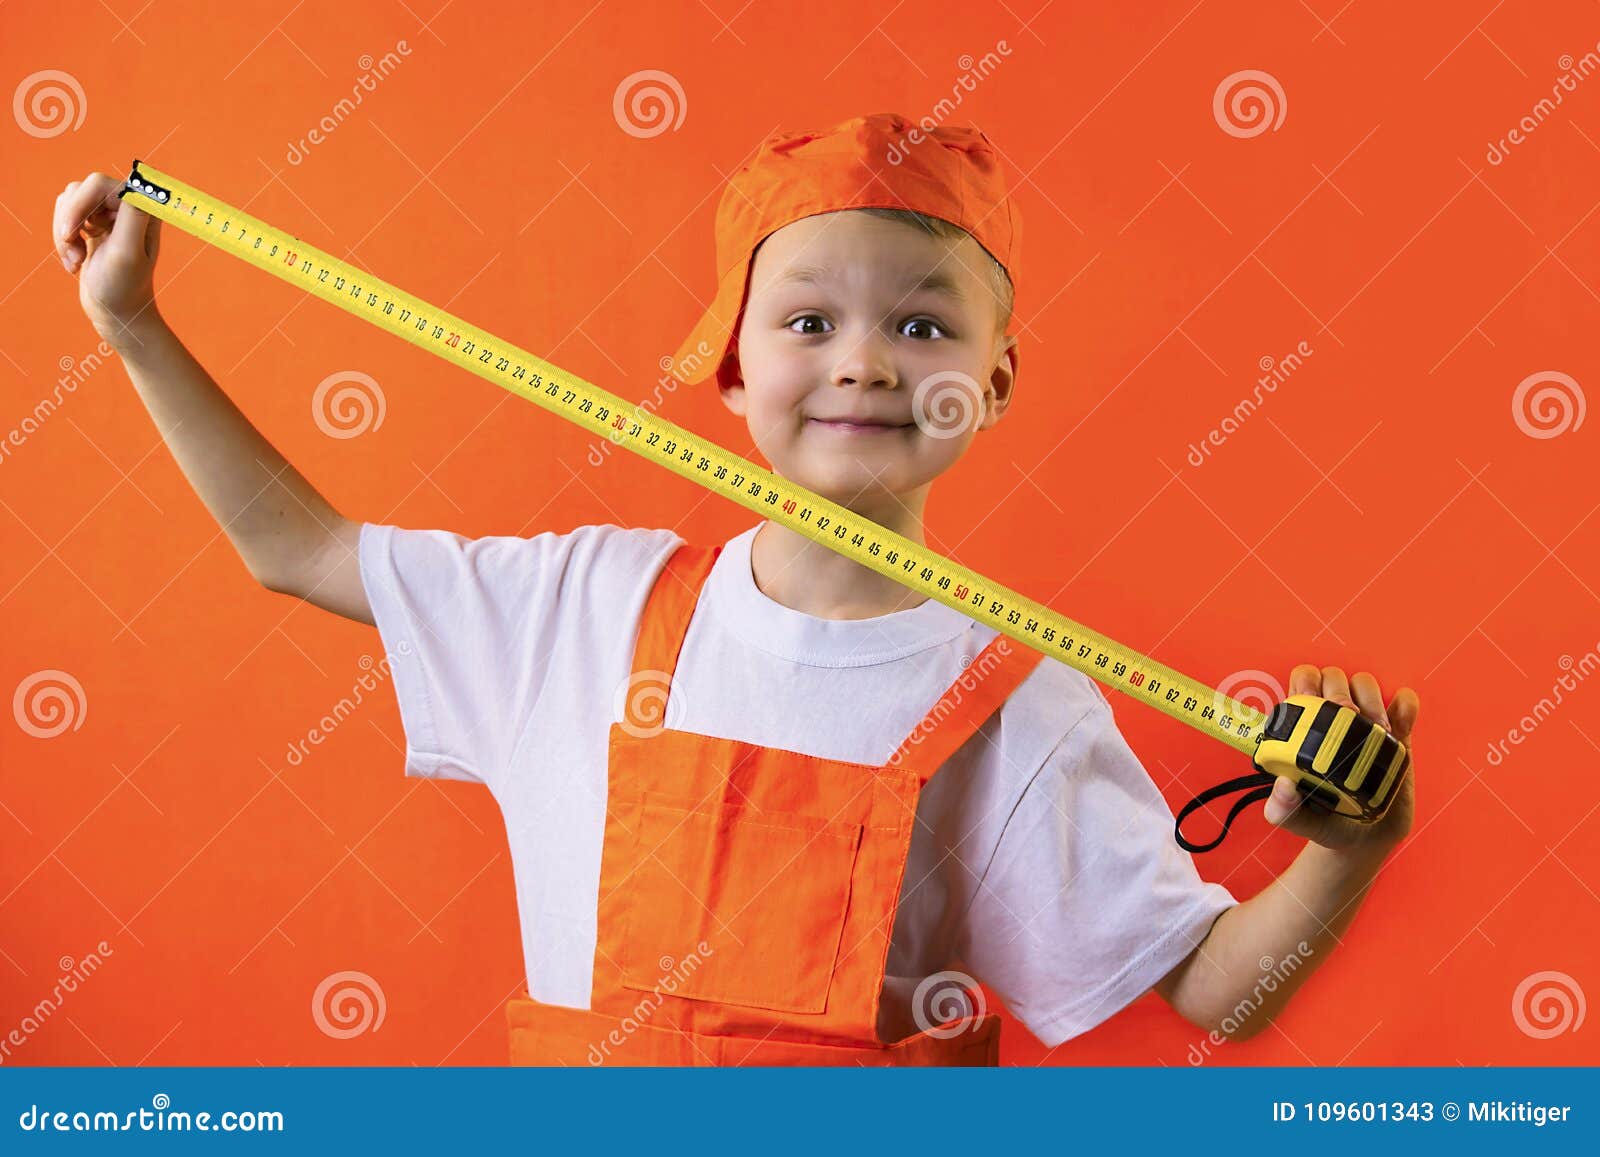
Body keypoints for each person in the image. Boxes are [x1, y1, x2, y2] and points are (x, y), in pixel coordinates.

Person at [54, 111, 1420, 1066]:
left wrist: (1350, 848)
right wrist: (130, 324)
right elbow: (292, 548)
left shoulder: (1023, 701)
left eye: (926, 323)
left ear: (994, 382)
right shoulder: (577, 612)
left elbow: (1220, 991)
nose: (867, 362)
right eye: (809, 318)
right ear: (729, 363)